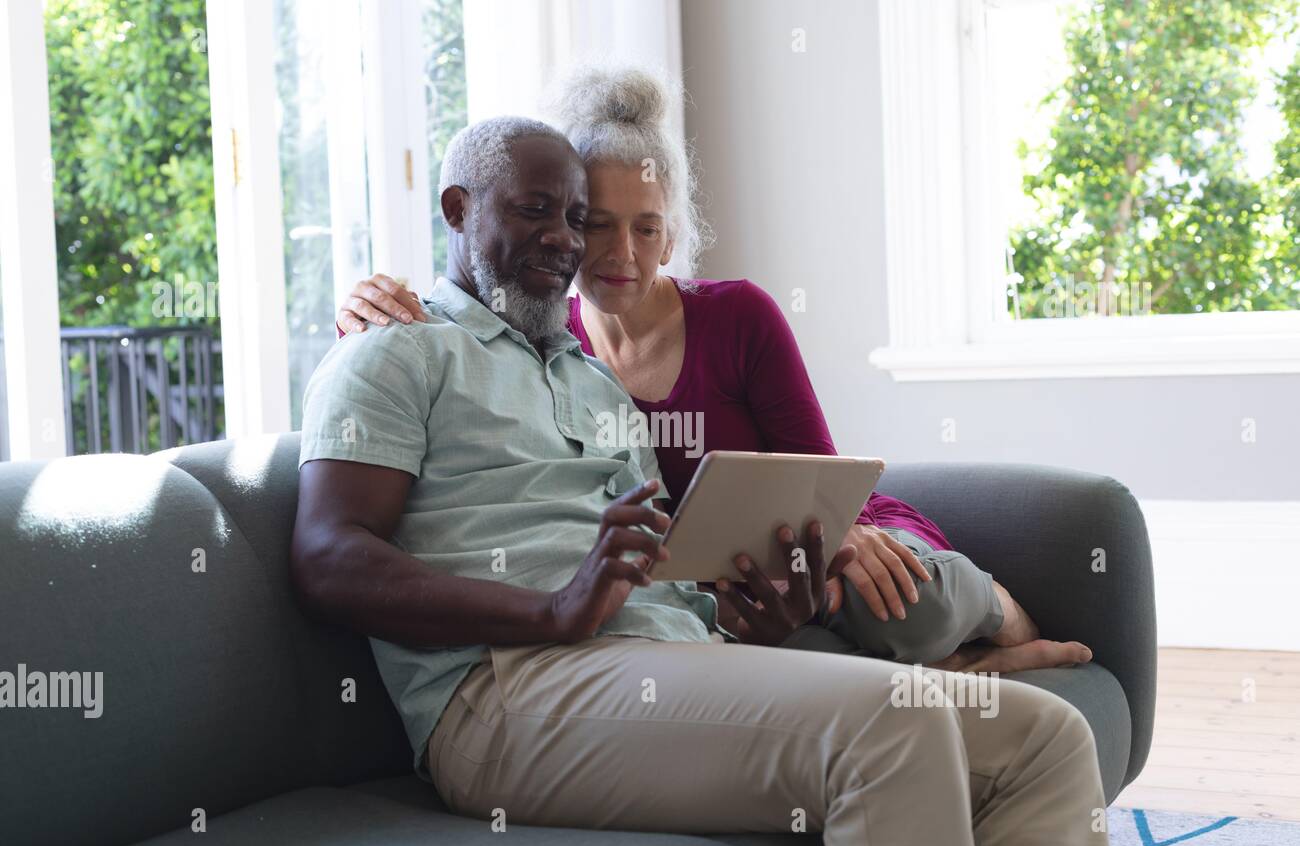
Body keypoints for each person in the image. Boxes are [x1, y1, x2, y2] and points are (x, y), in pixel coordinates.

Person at [293, 114, 1112, 846]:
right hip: (505, 690)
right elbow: (330, 559)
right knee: (894, 722)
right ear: (458, 209)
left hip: (657, 662)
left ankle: (976, 622)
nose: (562, 240)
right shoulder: (394, 352)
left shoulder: (593, 383)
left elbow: (667, 579)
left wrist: (760, 619)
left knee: (1045, 738)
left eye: (574, 219)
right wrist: (551, 610)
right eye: (533, 211)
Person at [337, 66, 1092, 675]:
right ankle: (957, 670)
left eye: (646, 229)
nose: (617, 253)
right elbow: (462, 302)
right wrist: (368, 304)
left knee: (893, 598)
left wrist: (844, 536)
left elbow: (824, 476)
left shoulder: (737, 316)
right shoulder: (547, 347)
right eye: (592, 223)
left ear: (672, 238)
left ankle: (1001, 614)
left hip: (830, 539)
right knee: (798, 634)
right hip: (715, 592)